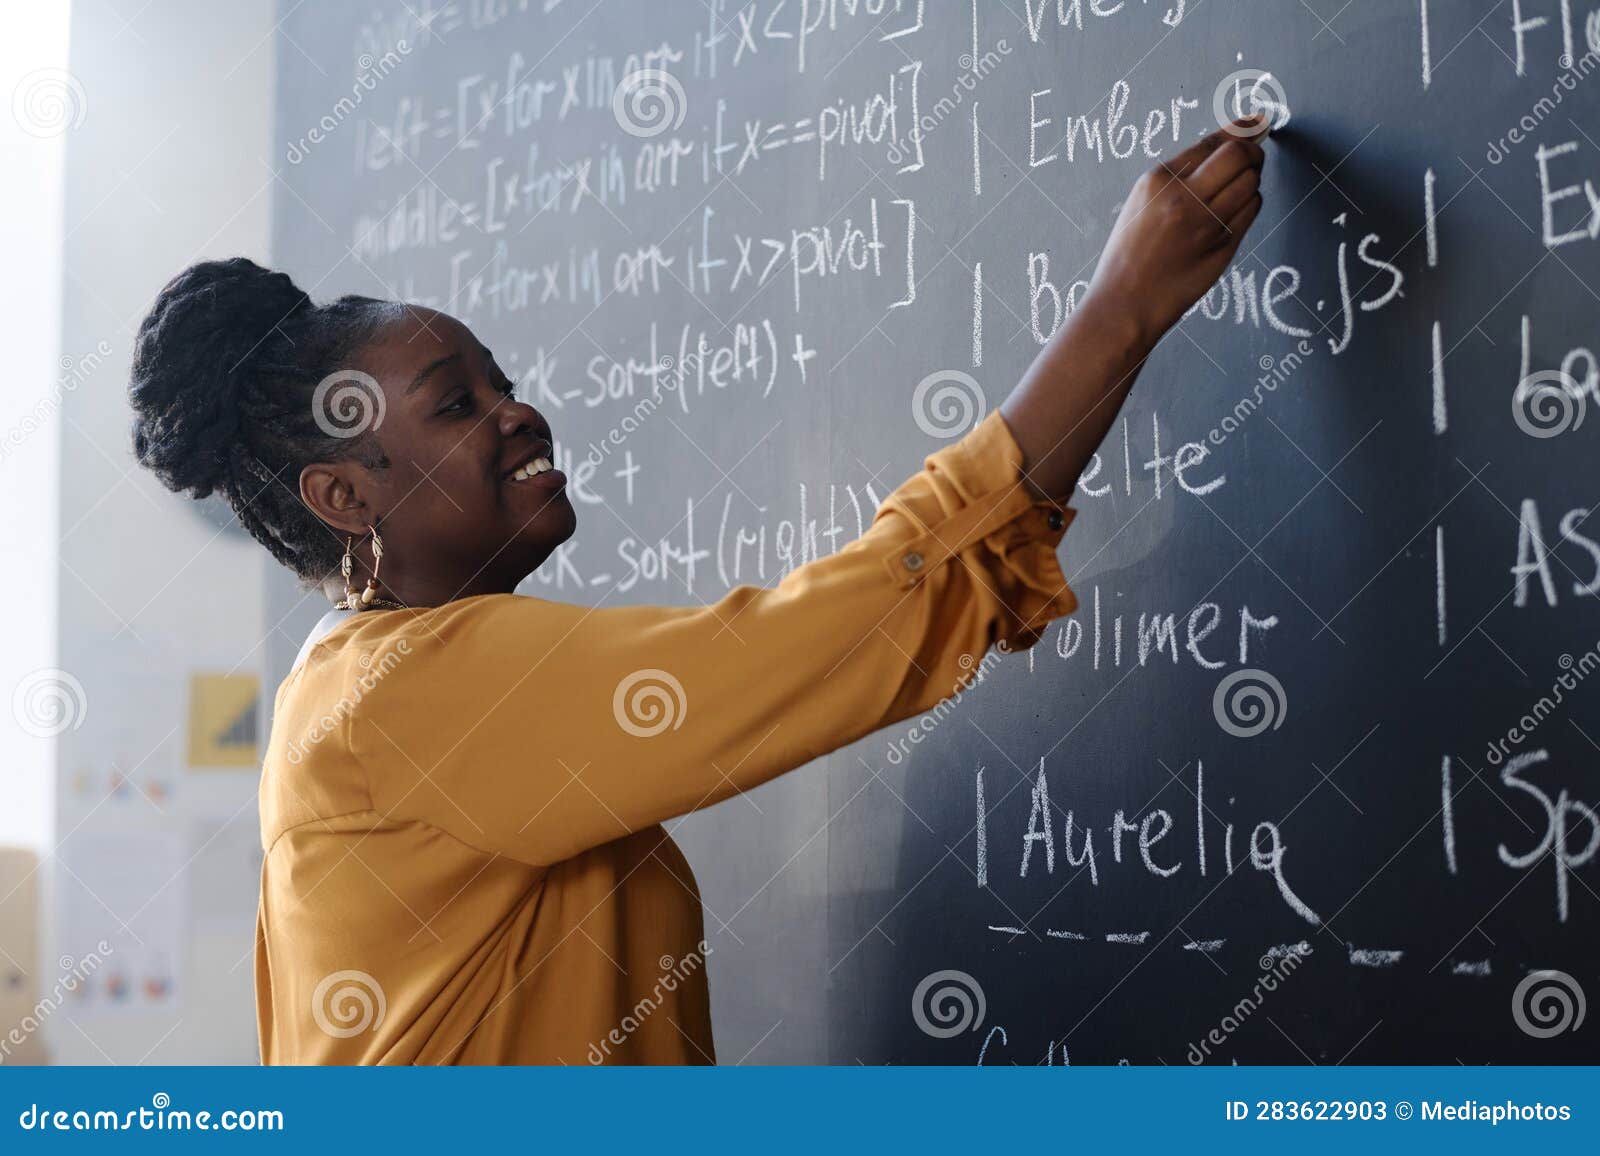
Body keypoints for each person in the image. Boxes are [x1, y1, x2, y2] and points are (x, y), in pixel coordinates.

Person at [128, 118, 1267, 1064]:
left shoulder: (352, 695)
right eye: (456, 404)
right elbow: (843, 633)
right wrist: (1121, 305)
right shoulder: (413, 694)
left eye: (501, 383)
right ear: (342, 495)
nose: (516, 411)